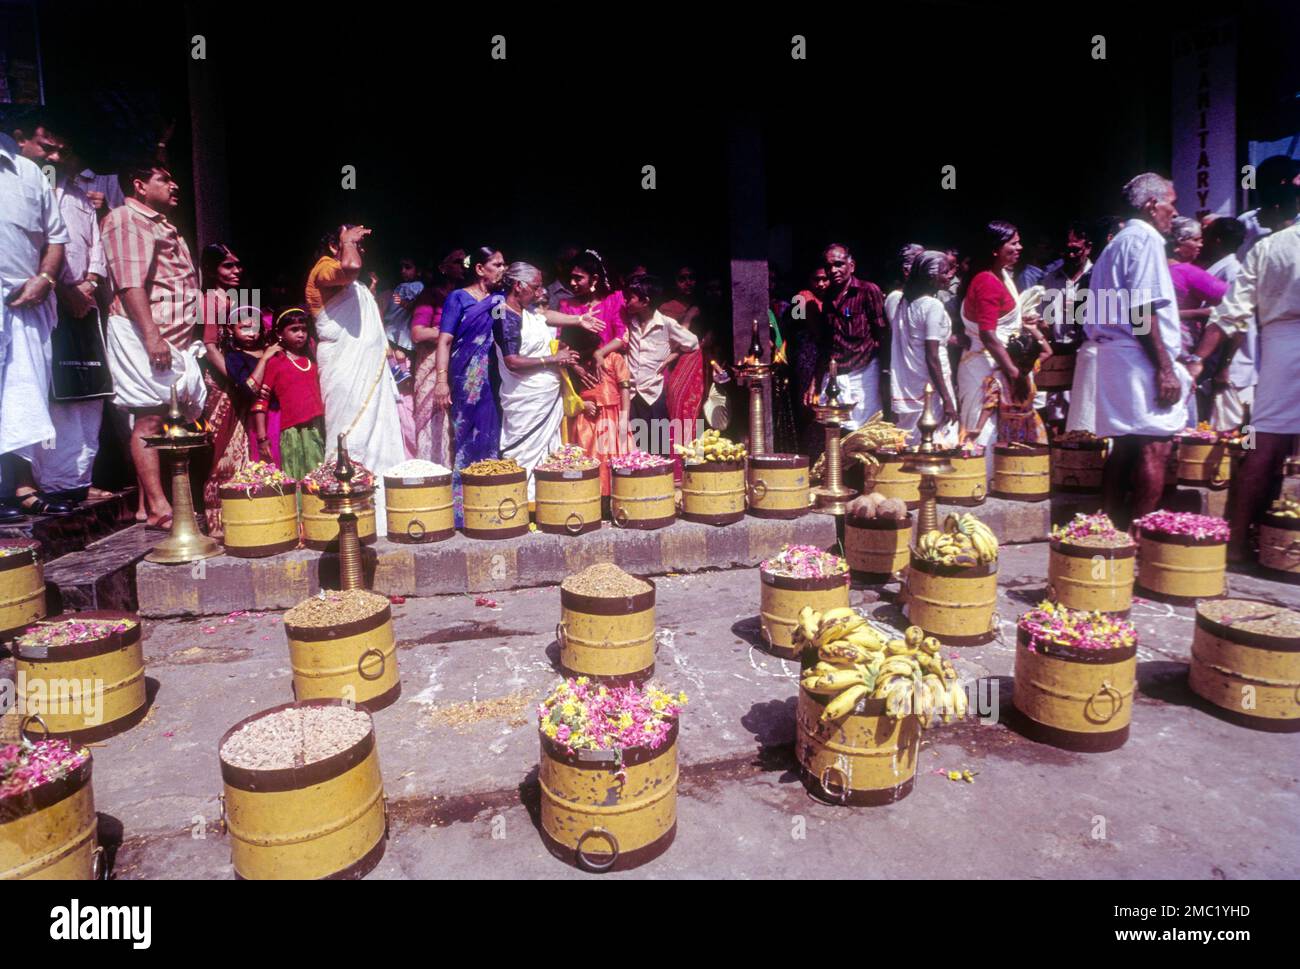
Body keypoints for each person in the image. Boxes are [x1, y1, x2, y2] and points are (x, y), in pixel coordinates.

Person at [1189, 174, 1300, 561]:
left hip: (1279, 353)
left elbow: (1230, 313)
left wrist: (1200, 359)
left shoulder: (1266, 250)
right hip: (1275, 348)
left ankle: (1236, 544)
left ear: (1272, 208)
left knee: (1262, 446)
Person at [1070, 173, 1191, 525]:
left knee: (1125, 445)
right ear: (1153, 205)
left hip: (1118, 356)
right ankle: (1140, 536)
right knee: (1156, 446)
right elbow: (1142, 311)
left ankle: (1105, 526)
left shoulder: (1118, 242)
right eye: (1172, 202)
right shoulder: (1145, 239)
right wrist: (1165, 368)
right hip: (1138, 358)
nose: (1175, 211)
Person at [101, 157, 206, 531]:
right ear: (139, 185)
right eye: (164, 179)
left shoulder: (162, 225)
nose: (174, 186)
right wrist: (151, 337)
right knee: (149, 416)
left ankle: (151, 506)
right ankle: (161, 507)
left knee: (168, 414)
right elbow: (130, 284)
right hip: (143, 332)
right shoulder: (127, 219)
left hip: (170, 337)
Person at [14, 114, 110, 508]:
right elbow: (38, 246)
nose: (54, 156)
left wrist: (90, 282)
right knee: (53, 392)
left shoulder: (79, 197)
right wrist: (65, 286)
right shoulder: (25, 191)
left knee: (89, 392)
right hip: (49, 301)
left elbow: (96, 245)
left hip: (84, 304)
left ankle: (78, 479)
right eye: (47, 148)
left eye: (61, 151)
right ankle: (47, 482)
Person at [306, 224, 405, 536]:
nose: (359, 252)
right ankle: (345, 518)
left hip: (370, 372)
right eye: (353, 245)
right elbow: (349, 267)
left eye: (361, 247)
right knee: (350, 432)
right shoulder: (323, 270)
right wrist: (347, 239)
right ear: (335, 246)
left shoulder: (357, 285)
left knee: (380, 433)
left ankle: (384, 515)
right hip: (345, 372)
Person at [0, 131, 68, 523]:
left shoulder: (29, 172)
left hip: (26, 302)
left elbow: (56, 239)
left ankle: (23, 489)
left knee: (23, 397)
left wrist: (46, 279)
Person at [493, 263, 581, 497]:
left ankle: (548, 500)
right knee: (525, 451)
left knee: (549, 450)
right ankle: (522, 502)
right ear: (518, 285)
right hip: (525, 397)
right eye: (536, 287)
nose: (540, 292)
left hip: (545, 396)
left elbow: (544, 318)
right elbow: (512, 360)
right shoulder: (502, 312)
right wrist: (553, 358)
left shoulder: (528, 312)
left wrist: (579, 320)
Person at [956, 221, 1032, 475]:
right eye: (1013, 243)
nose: (1020, 247)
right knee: (982, 432)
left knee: (998, 432)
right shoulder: (987, 281)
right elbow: (988, 335)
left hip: (991, 365)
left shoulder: (1000, 276)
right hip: (983, 370)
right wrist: (1014, 373)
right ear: (995, 249)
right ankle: (978, 487)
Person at [202, 307, 280, 533]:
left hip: (270, 416)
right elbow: (249, 389)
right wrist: (265, 358)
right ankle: (231, 525)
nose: (250, 333)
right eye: (243, 327)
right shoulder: (234, 357)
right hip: (242, 420)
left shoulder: (271, 350)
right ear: (230, 329)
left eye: (254, 327)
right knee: (234, 467)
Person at [805, 243, 888, 431]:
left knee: (866, 430)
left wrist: (885, 375)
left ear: (852, 266)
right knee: (835, 429)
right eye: (829, 266)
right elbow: (827, 343)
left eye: (839, 264)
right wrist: (815, 381)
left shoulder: (868, 291)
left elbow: (881, 334)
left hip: (864, 371)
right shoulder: (828, 297)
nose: (833, 270)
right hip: (836, 373)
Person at [623, 272, 699, 455]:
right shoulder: (628, 322)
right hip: (631, 393)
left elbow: (693, 342)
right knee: (635, 448)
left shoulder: (666, 324)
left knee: (658, 448)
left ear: (645, 301)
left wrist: (671, 357)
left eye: (631, 298)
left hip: (654, 392)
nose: (627, 301)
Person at [888, 250, 959, 442]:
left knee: (910, 444)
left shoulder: (899, 301)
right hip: (932, 385)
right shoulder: (932, 305)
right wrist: (947, 400)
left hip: (909, 386)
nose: (950, 275)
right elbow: (932, 357)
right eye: (945, 272)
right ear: (931, 277)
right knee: (938, 444)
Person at [1167, 217, 1228, 425]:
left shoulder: (1150, 269)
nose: (1201, 245)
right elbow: (1235, 298)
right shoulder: (1188, 272)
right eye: (1196, 240)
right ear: (1177, 245)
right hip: (1182, 353)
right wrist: (1201, 312)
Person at [254, 308, 325, 483]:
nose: (301, 334)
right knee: (297, 474)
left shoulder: (313, 360)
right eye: (294, 329)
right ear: (279, 333)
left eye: (304, 329)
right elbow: (261, 401)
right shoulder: (276, 363)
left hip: (317, 427)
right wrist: (262, 438)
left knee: (320, 473)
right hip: (292, 431)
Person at [1199, 218, 1255, 430]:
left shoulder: (1232, 271)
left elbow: (1237, 322)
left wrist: (1224, 367)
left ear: (1217, 240)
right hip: (1218, 366)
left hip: (1231, 368)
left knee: (1230, 431)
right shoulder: (1219, 269)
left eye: (1206, 236)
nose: (1202, 242)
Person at [566, 322, 631, 496]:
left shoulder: (614, 358)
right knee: (589, 455)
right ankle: (590, 495)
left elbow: (624, 388)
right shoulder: (574, 366)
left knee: (610, 455)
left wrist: (625, 416)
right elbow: (567, 392)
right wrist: (582, 404)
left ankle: (612, 495)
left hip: (612, 415)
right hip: (586, 418)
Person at [968, 330, 1051, 446]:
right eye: (1021, 364)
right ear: (1010, 360)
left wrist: (1033, 329)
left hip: (1032, 425)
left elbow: (1048, 352)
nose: (1025, 369)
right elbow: (989, 406)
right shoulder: (997, 379)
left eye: (1029, 365)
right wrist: (978, 428)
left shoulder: (1031, 371)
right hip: (1009, 429)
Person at [383, 257, 423, 353]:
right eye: (402, 268)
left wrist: (402, 303)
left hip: (401, 327)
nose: (403, 271)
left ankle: (399, 368)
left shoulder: (416, 286)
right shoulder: (403, 285)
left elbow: (411, 306)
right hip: (393, 325)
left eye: (408, 268)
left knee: (396, 352)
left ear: (418, 271)